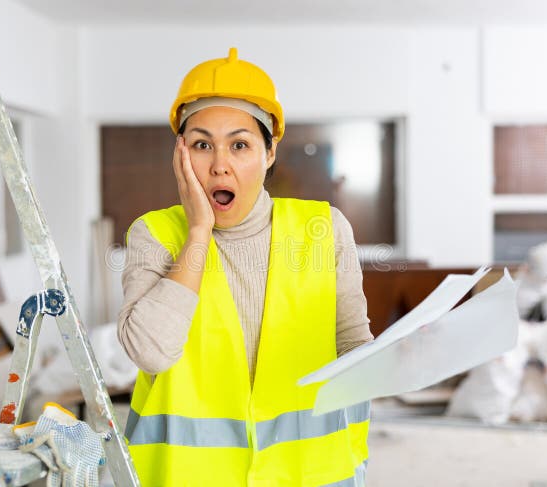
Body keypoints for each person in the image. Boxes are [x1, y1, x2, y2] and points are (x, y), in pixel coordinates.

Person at [118, 47, 374, 486]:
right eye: (202, 144)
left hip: (309, 475)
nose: (220, 164)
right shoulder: (154, 235)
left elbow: (353, 348)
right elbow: (149, 352)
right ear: (180, 154)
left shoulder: (323, 229)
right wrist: (199, 231)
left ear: (269, 152)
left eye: (240, 144)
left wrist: (403, 356)